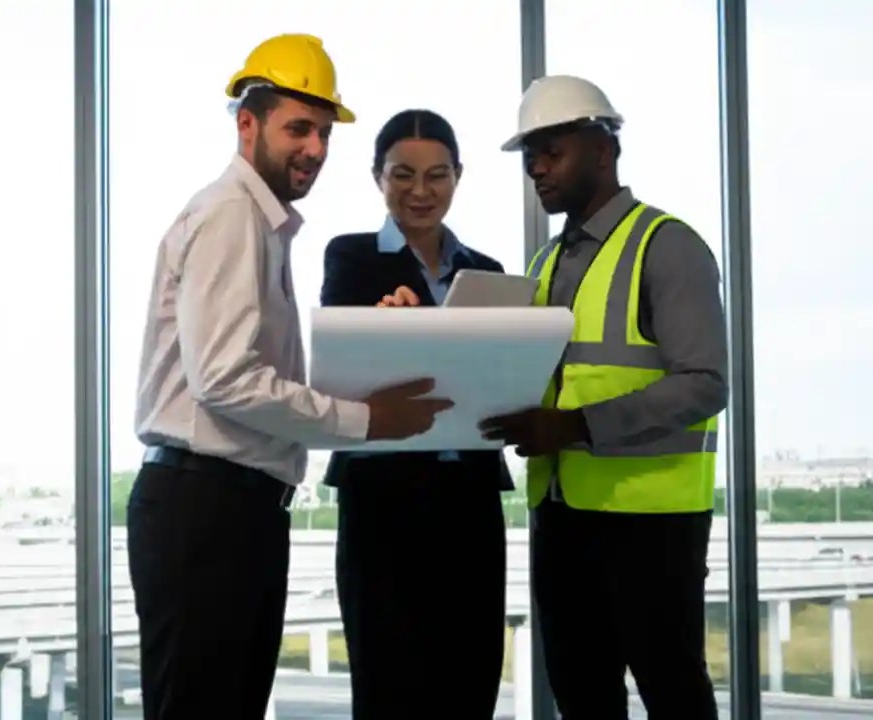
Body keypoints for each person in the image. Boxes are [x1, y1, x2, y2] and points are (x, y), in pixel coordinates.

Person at [128, 34, 452, 719]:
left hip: (230, 507)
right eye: (297, 128)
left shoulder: (259, 223)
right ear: (247, 124)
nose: (314, 149)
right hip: (206, 507)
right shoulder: (230, 216)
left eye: (324, 133)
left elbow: (241, 375)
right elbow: (226, 381)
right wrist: (367, 421)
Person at [480, 74, 727, 719]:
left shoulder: (667, 246)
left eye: (551, 150)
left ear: (602, 147)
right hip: (560, 516)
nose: (536, 168)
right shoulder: (541, 266)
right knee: (581, 692)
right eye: (529, 156)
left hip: (651, 525)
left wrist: (574, 427)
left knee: (671, 690)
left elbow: (706, 383)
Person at [319, 109, 512, 718]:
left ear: (459, 176)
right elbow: (341, 354)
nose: (421, 192)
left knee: (471, 677)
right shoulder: (351, 258)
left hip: (470, 500)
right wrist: (384, 321)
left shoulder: (488, 273)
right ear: (377, 176)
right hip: (383, 501)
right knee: (386, 683)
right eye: (402, 174)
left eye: (438, 175)